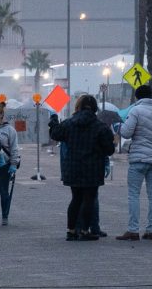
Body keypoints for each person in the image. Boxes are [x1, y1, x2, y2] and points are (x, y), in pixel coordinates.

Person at [49, 93, 115, 242]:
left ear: (78, 106)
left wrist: (53, 122)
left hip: (73, 168)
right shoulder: (100, 127)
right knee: (89, 200)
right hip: (93, 169)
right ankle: (85, 231)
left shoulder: (69, 123)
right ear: (95, 108)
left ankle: (71, 231)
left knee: (76, 199)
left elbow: (55, 134)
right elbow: (109, 149)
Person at [116, 84, 152, 240]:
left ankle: (133, 229)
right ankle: (151, 230)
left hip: (138, 159)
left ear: (137, 97)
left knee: (134, 194)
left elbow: (126, 132)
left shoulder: (136, 111)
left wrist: (119, 127)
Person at [0, 100, 19, 225]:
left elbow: (14, 148)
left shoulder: (9, 130)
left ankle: (5, 216)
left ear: (1, 115)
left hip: (4, 166)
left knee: (4, 192)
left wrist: (13, 164)